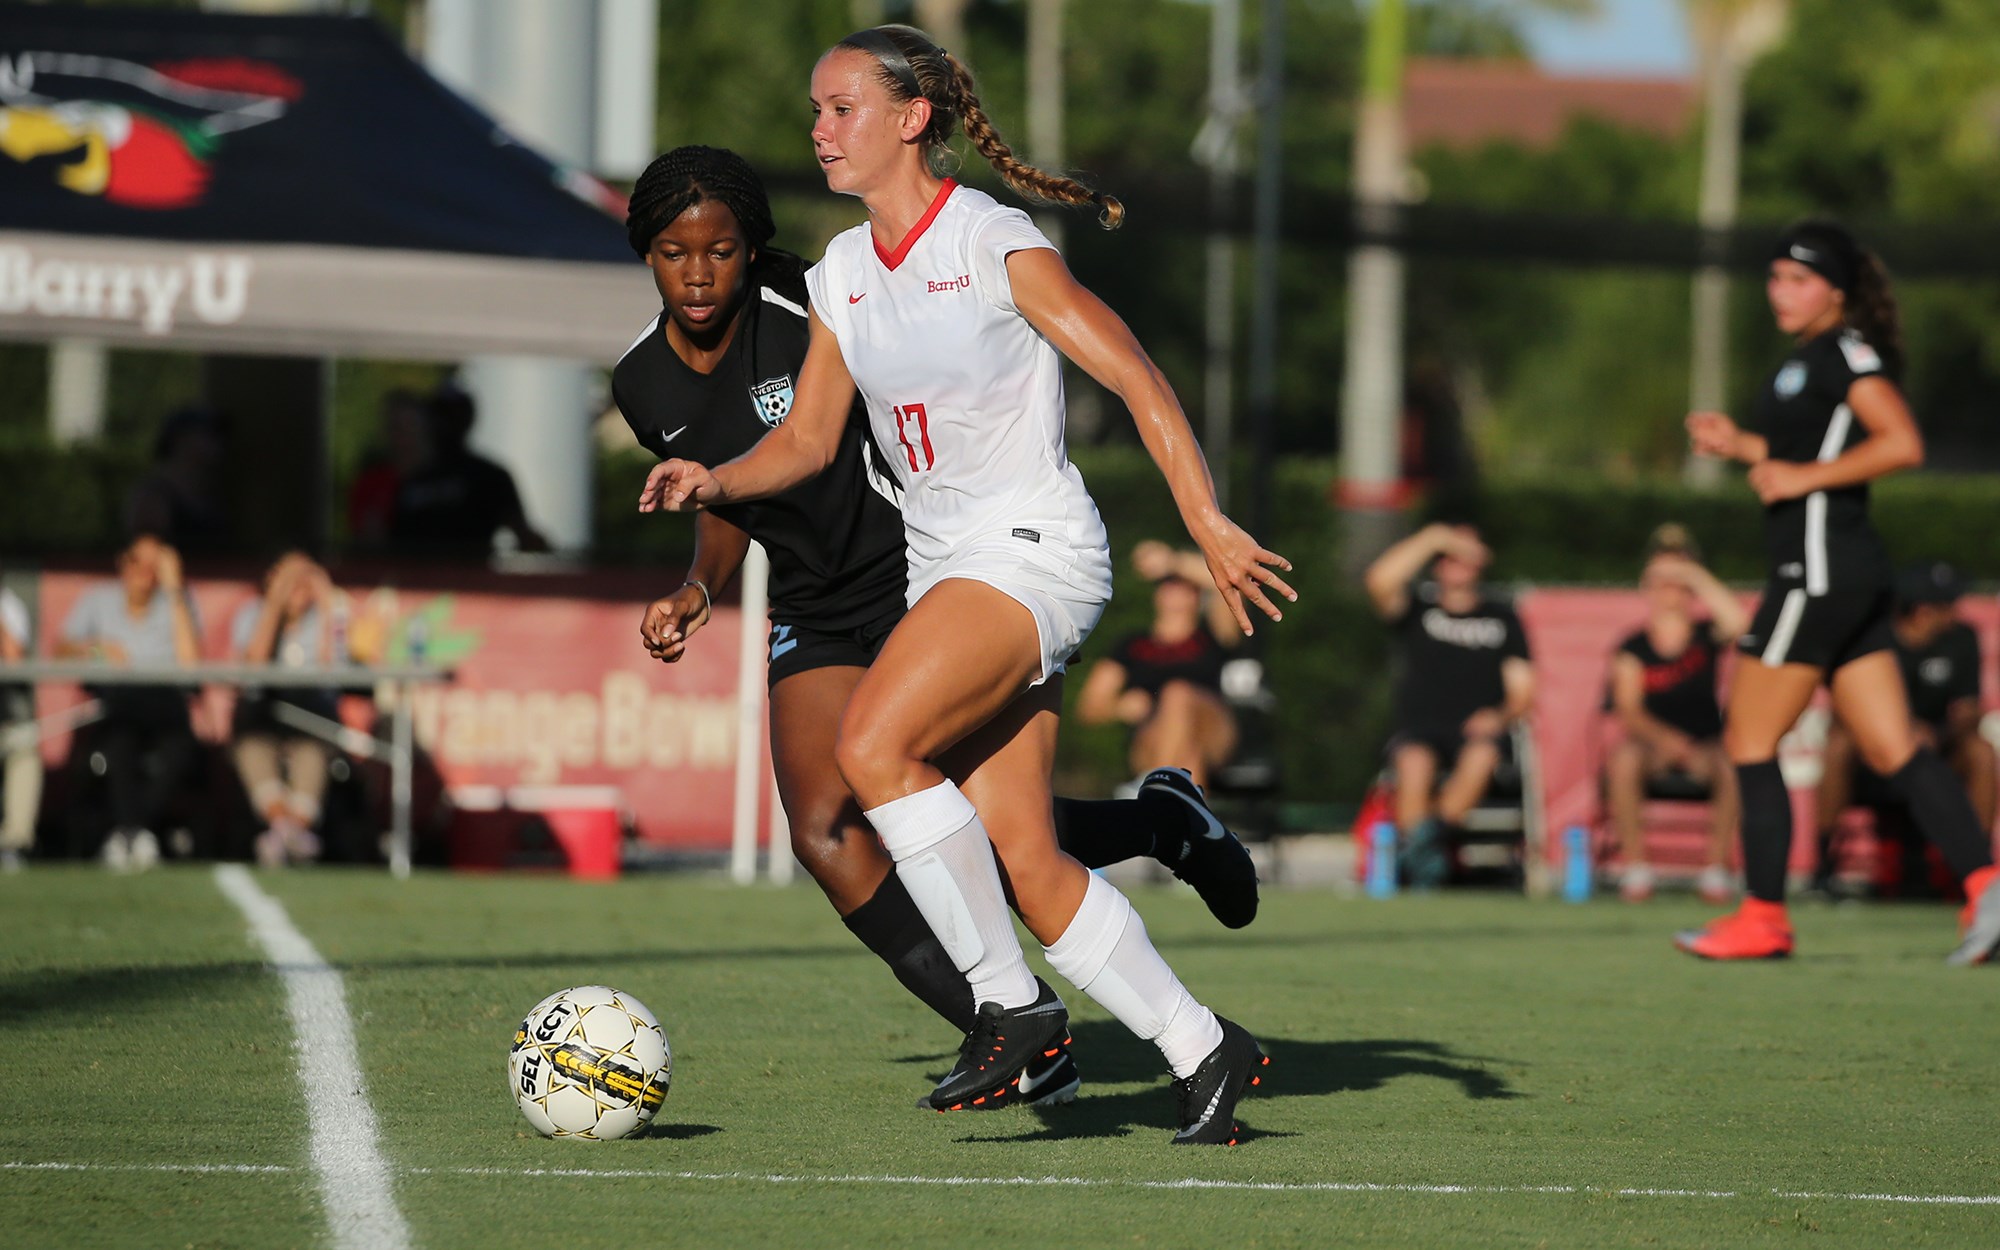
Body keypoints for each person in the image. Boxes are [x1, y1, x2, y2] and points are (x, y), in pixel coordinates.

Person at [641, 27, 1292, 1142]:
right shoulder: (843, 268)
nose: (818, 128)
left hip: (1031, 547)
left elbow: (1132, 371)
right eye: (815, 108)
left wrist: (1205, 520)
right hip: (946, 563)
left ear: (911, 118)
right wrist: (714, 476)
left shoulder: (993, 240)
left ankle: (1009, 1003)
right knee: (1031, 862)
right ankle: (1204, 1049)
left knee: (871, 749)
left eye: (840, 107)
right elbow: (804, 441)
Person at [1673, 220, 2000, 964]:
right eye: (1775, 278)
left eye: (1798, 280)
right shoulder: (1809, 359)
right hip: (1845, 573)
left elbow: (1901, 443)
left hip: (1817, 572)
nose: (1779, 293)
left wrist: (1800, 477)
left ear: (1837, 292)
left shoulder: (1847, 351)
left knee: (1748, 742)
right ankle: (1989, 888)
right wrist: (1744, 447)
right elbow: (1804, 451)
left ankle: (1762, 916)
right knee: (1894, 750)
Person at [1363, 522, 1536, 887]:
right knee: (1414, 762)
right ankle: (1426, 852)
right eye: (1452, 558)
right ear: (1438, 564)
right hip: (1421, 729)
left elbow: (1523, 692)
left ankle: (1422, 849)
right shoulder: (1418, 609)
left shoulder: (1502, 618)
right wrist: (1432, 538)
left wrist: (1499, 715)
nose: (1462, 565)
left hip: (1476, 732)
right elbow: (1378, 581)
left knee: (1482, 756)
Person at [1812, 562, 1995, 896]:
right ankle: (1823, 867)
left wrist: (1938, 734)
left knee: (1981, 751)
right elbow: (1844, 708)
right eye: (1947, 606)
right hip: (1874, 751)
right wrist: (1902, 731)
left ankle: (1977, 870)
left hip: (1939, 748)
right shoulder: (1873, 640)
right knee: (1839, 744)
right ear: (1923, 611)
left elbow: (1969, 708)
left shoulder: (1961, 639)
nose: (1955, 613)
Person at [1604, 542, 1747, 903]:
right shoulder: (1633, 646)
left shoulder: (1705, 635)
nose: (1669, 590)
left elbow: (1740, 623)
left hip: (1705, 745)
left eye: (1677, 581)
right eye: (1660, 580)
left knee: (1735, 764)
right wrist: (1667, 740)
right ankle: (1636, 867)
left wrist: (1693, 575)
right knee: (1623, 761)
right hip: (1652, 746)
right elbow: (1629, 708)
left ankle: (1715, 869)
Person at [53, 533, 202, 871]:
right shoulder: (98, 599)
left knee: (180, 749)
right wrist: (96, 649)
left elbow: (193, 667)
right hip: (118, 702)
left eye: (155, 565)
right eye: (139, 562)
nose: (145, 572)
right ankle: (139, 834)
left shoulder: (178, 600)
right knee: (118, 743)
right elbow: (60, 650)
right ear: (123, 563)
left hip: (167, 704)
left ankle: (128, 832)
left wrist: (174, 587)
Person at [230, 552, 348, 868]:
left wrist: (326, 602)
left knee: (312, 752)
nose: (298, 587)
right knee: (253, 748)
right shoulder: (252, 613)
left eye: (304, 579)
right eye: (288, 579)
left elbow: (335, 672)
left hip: (310, 720)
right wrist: (275, 602)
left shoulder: (326, 616)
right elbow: (253, 669)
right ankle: (289, 834)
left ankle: (284, 836)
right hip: (262, 720)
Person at [1076, 563, 1239, 789]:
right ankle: (1181, 812)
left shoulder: (1213, 634)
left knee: (1177, 693)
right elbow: (1089, 707)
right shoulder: (1133, 645)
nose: (1173, 591)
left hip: (1212, 727)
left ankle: (1154, 788)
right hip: (1153, 737)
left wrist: (1170, 558)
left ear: (1198, 594)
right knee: (1190, 754)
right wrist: (1120, 707)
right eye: (1168, 584)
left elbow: (1226, 583)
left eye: (1184, 585)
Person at [390, 387, 550, 559]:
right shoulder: (402, 475)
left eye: (455, 415)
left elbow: (521, 532)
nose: (446, 423)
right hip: (410, 578)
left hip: (469, 579)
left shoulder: (490, 477)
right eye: (440, 415)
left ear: (469, 419)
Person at [125, 406, 229, 554]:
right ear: (181, 439)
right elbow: (146, 552)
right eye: (208, 433)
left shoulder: (211, 491)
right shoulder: (155, 494)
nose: (217, 443)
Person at [347, 389, 428, 548]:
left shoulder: (444, 480)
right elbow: (368, 538)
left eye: (411, 424)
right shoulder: (371, 483)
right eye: (396, 426)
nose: (405, 434)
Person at [1, 580, 40, 871]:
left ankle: (11, 845)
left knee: (25, 746)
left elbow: (14, 658)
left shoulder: (9, 604)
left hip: (6, 719)